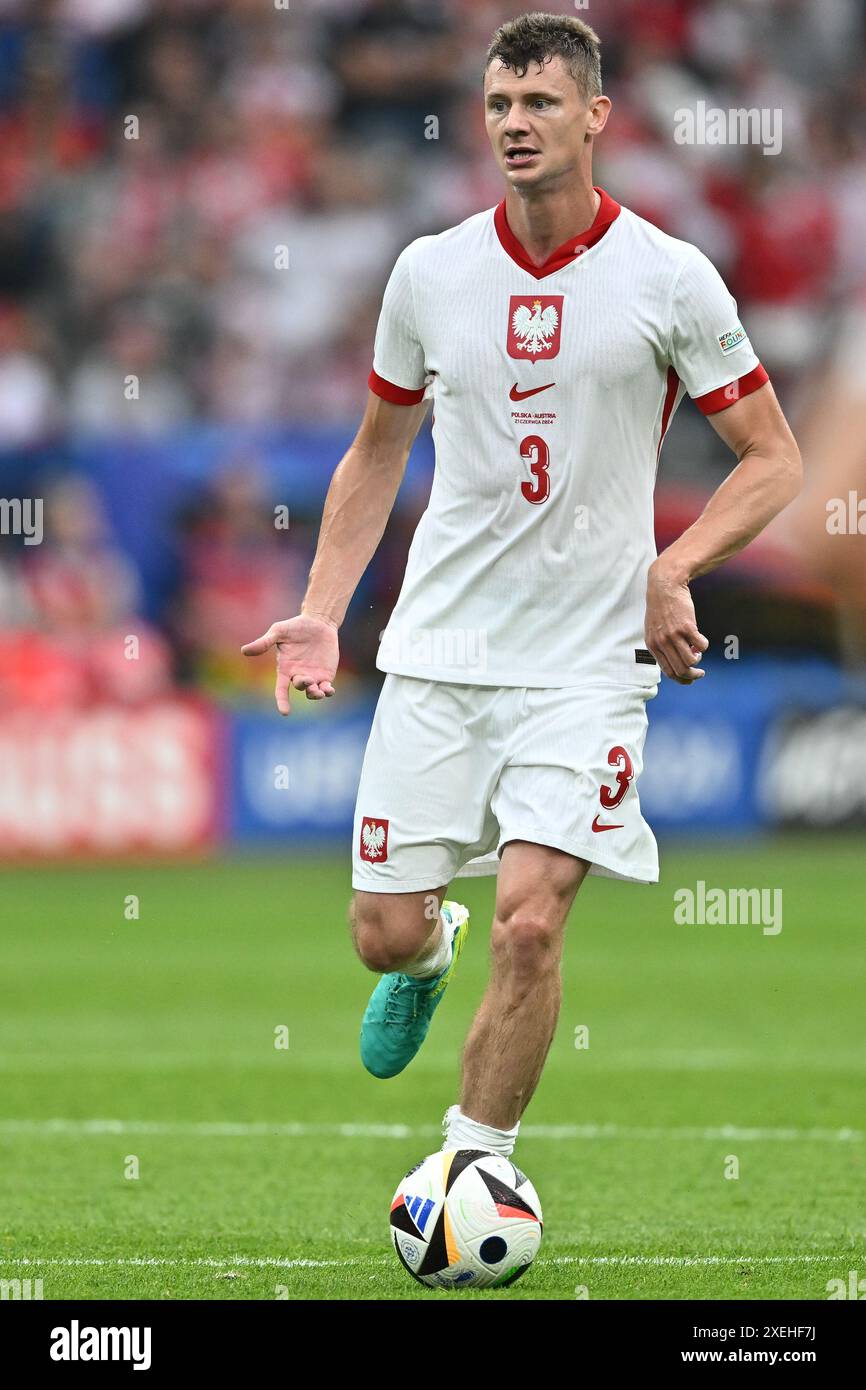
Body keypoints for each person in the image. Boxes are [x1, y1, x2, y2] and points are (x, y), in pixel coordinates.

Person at [242, 13, 801, 1160]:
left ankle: (470, 1163)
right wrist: (322, 605)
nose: (513, 124)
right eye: (497, 104)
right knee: (381, 935)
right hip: (441, 650)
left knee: (533, 926)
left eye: (540, 103)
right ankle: (426, 952)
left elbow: (773, 456)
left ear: (595, 117)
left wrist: (676, 564)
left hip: (587, 666)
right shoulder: (429, 272)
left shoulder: (668, 277)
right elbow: (376, 452)